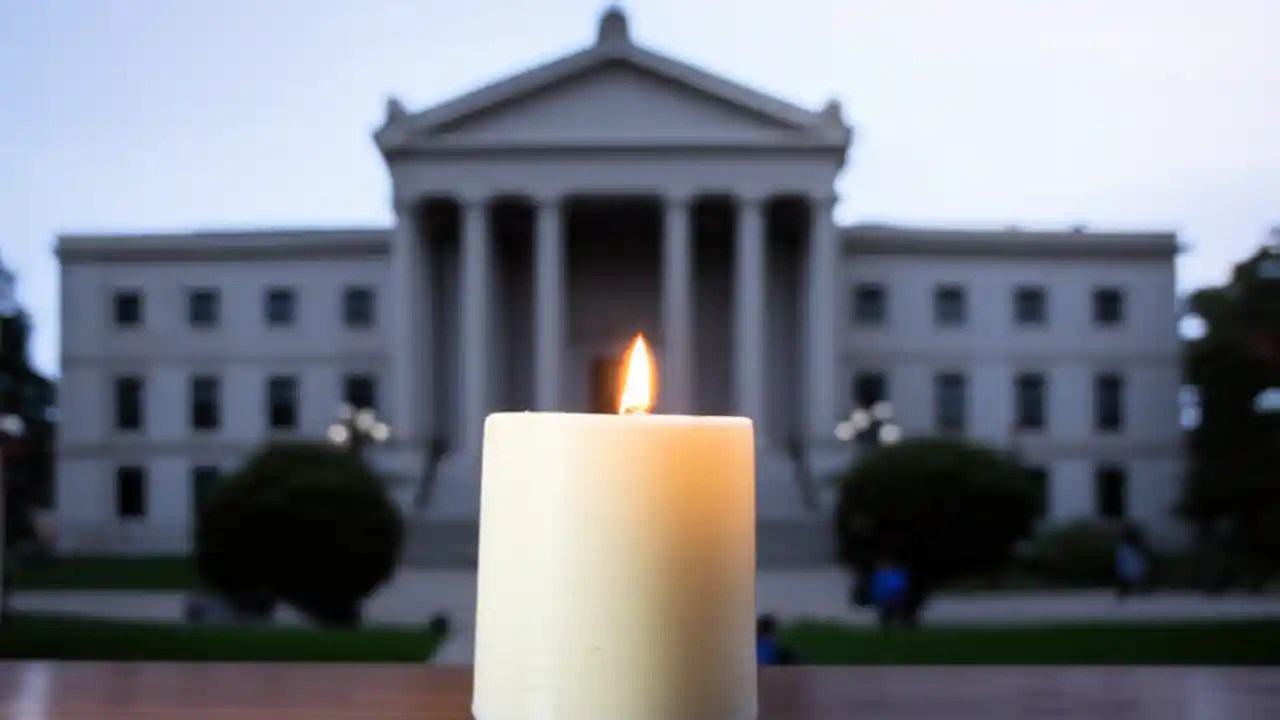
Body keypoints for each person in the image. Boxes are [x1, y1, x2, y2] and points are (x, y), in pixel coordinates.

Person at [870, 559, 910, 629]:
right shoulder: (879, 575)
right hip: (885, 598)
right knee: (886, 615)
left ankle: (897, 628)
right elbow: (876, 588)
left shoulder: (895, 574)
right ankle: (887, 628)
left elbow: (899, 586)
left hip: (895, 598)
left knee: (896, 614)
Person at [1115, 525, 1149, 599]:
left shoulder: (1134, 549)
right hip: (1129, 577)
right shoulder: (1125, 549)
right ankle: (1130, 587)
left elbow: (1140, 564)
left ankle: (1133, 586)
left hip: (1133, 576)